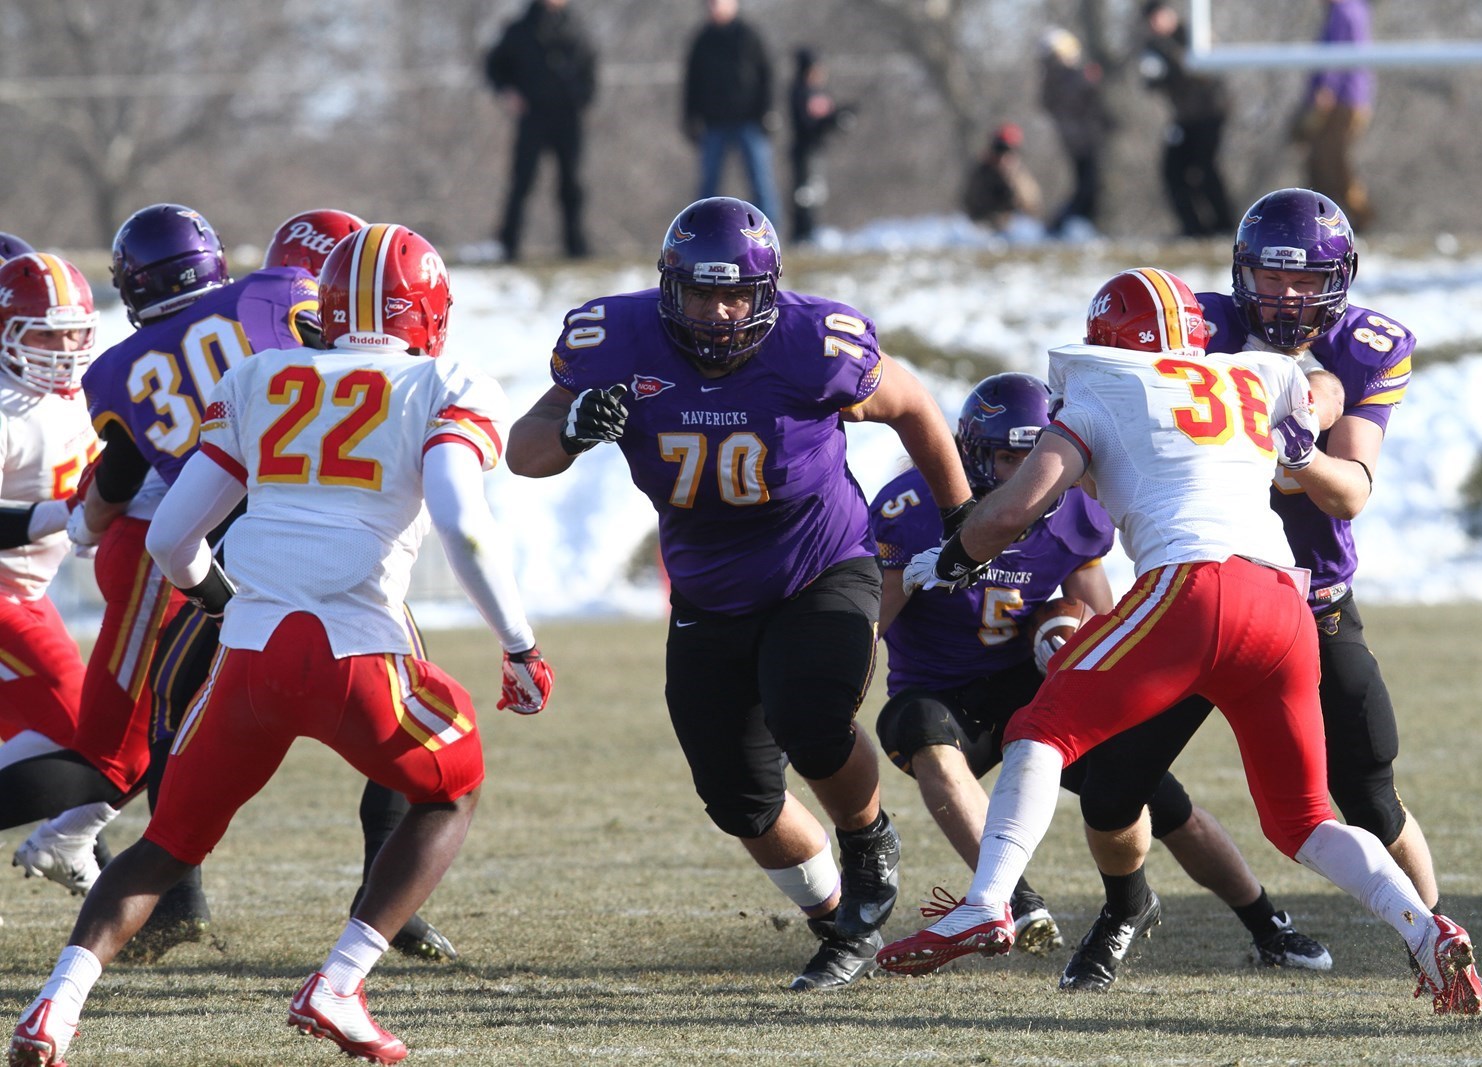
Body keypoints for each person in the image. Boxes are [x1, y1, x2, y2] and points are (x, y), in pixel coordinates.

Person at [6, 222, 554, 1067]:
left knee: (166, 843)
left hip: (250, 658)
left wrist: (222, 602)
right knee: (453, 789)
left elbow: (173, 538)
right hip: (358, 654)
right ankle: (340, 981)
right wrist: (518, 645)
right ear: (428, 311)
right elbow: (462, 523)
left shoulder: (260, 377)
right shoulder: (445, 381)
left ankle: (55, 1005)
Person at [873, 267, 1482, 1017]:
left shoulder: (1100, 385)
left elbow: (1011, 512)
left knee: (1040, 728)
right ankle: (1426, 930)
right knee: (1304, 819)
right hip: (1284, 605)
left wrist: (956, 555)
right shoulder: (1254, 372)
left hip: (1195, 586)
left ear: (1107, 337)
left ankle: (988, 902)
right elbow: (1323, 387)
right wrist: (1303, 423)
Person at [505, 195, 972, 991]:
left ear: (767, 292)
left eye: (736, 295)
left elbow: (915, 407)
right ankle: (839, 921)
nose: (719, 313)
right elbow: (524, 451)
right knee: (737, 798)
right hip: (707, 592)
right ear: (669, 288)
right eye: (701, 293)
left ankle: (868, 840)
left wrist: (960, 516)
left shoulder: (814, 345)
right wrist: (575, 426)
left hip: (819, 566)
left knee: (811, 718)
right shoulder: (614, 341)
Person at [1049, 186, 1482, 996]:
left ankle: (1433, 937)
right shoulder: (1192, 326)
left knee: (1370, 798)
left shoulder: (1367, 345)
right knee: (1112, 788)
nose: (1287, 296)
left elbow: (1350, 489)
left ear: (1340, 279)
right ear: (1241, 271)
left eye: (1305, 280)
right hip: (1193, 589)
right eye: (1271, 276)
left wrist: (1300, 453)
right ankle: (1124, 908)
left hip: (1307, 606)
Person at [871, 371, 1332, 981]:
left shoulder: (1077, 513)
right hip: (940, 691)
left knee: (1155, 797)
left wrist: (1063, 631)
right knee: (928, 737)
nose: (1025, 473)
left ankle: (1266, 922)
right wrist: (836, 686)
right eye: (1008, 458)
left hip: (1032, 685)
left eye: (1034, 455)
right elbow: (873, 618)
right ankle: (1011, 901)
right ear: (975, 456)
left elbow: (1105, 618)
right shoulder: (912, 508)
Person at [0, 252, 101, 774]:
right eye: (44, 335)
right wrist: (69, 513)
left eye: (73, 334)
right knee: (78, 722)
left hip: (29, 593)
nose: (63, 349)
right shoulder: (6, 409)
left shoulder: (83, 394)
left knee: (61, 733)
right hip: (6, 594)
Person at [486, 0, 598, 261]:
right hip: (533, 115)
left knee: (571, 182)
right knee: (522, 181)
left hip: (568, 116)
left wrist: (584, 97)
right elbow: (494, 65)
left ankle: (575, 246)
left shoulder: (576, 27)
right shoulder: (520, 29)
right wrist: (509, 92)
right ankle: (508, 244)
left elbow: (590, 64)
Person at [684, 0, 781, 232]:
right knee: (708, 186)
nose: (714, 7)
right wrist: (690, 117)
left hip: (749, 121)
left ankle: (768, 235)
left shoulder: (749, 35)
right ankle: (701, 234)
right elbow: (691, 82)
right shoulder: (702, 40)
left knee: (761, 182)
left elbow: (766, 75)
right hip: (714, 123)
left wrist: (768, 112)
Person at [1139, 1, 1233, 238]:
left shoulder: (1193, 34)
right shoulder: (1154, 46)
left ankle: (1223, 225)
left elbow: (1204, 73)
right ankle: (1193, 228)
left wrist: (1170, 60)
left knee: (1204, 169)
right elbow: (1153, 82)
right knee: (1172, 172)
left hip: (1209, 114)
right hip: (1184, 119)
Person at [1297, 0, 1374, 231]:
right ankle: (1318, 220)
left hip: (1341, 101)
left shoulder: (1344, 9)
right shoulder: (1351, 8)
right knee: (1320, 161)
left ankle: (1359, 217)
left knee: (1331, 162)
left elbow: (1337, 53)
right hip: (1344, 99)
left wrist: (1326, 89)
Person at [1037, 28, 1112, 238]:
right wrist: (1090, 79)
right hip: (1082, 139)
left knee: (1089, 186)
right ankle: (1060, 226)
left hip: (1078, 138)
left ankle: (1078, 226)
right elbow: (1079, 94)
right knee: (1087, 186)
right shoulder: (1063, 76)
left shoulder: (1054, 78)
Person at [788, 47, 853, 245]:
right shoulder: (800, 92)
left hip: (818, 150)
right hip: (804, 151)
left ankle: (812, 231)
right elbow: (807, 124)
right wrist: (829, 121)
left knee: (816, 192)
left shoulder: (820, 92)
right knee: (804, 194)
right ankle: (802, 235)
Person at [961, 123, 1043, 232]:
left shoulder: (1020, 176)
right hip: (984, 228)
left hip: (1015, 229)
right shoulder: (982, 173)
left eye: (1008, 151)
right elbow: (971, 204)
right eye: (999, 150)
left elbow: (1032, 206)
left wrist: (1011, 179)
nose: (1003, 157)